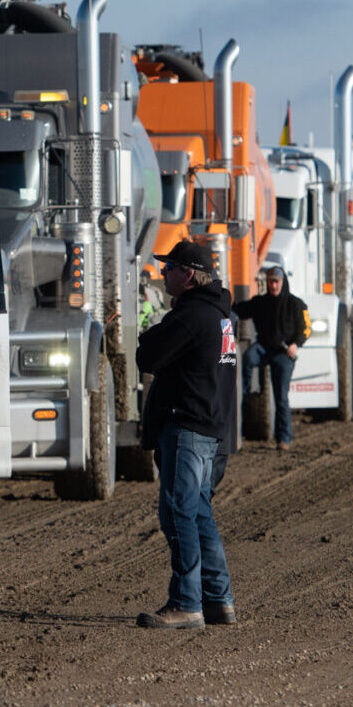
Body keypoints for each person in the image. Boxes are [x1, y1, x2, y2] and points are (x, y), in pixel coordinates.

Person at [133, 239, 241, 629]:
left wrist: (150, 334)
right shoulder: (220, 315)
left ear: (190, 274)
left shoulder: (193, 316)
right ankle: (218, 601)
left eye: (170, 267)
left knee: (179, 513)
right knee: (197, 514)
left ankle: (186, 603)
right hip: (211, 427)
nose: (163, 273)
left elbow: (147, 356)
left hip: (188, 426)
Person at [236, 264, 310, 450]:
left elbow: (306, 329)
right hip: (263, 348)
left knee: (281, 397)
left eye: (276, 282)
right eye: (270, 282)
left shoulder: (296, 304)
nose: (273, 286)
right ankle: (242, 393)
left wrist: (296, 344)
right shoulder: (260, 302)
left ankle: (284, 438)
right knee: (247, 358)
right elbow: (239, 310)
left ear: (282, 282)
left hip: (283, 353)